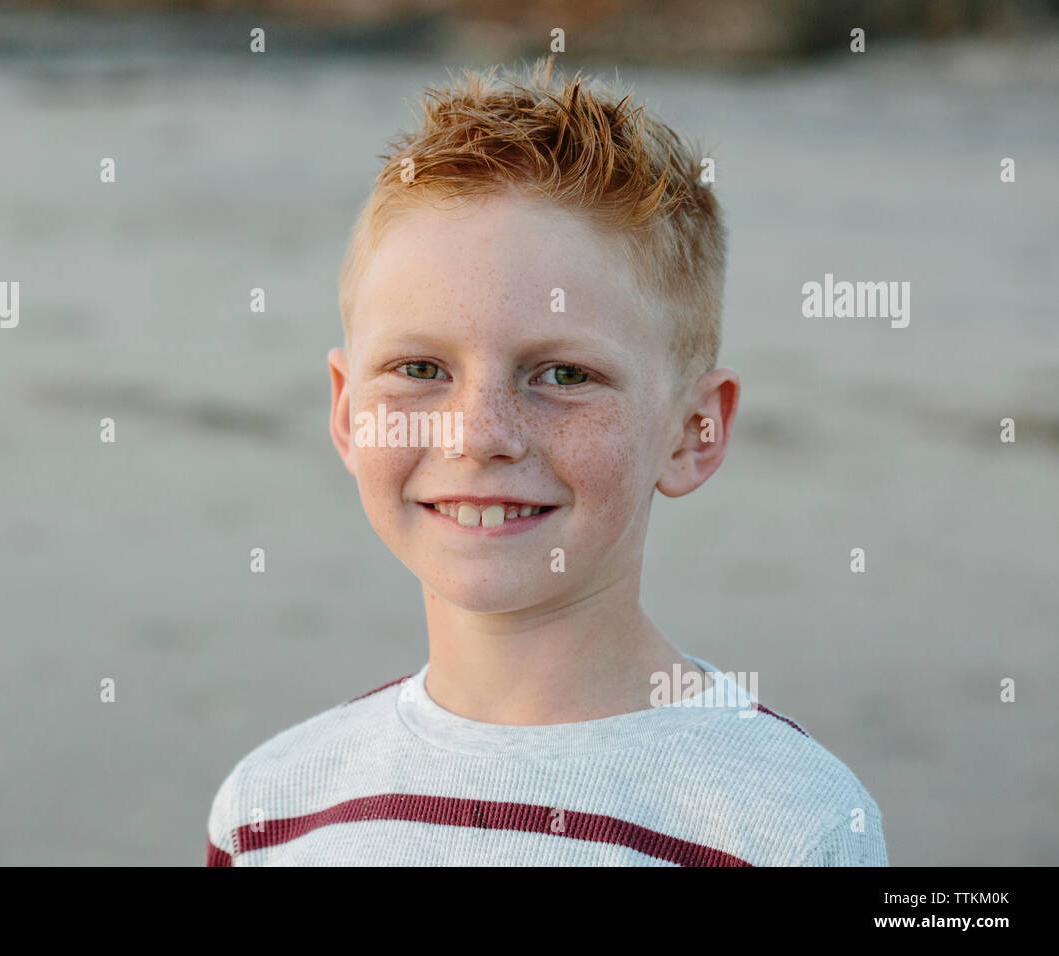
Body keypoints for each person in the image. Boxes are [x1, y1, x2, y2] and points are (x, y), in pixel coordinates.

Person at [206, 56, 886, 866]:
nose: (480, 434)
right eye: (422, 370)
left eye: (564, 375)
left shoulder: (783, 824)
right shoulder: (274, 810)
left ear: (693, 430)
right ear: (348, 412)